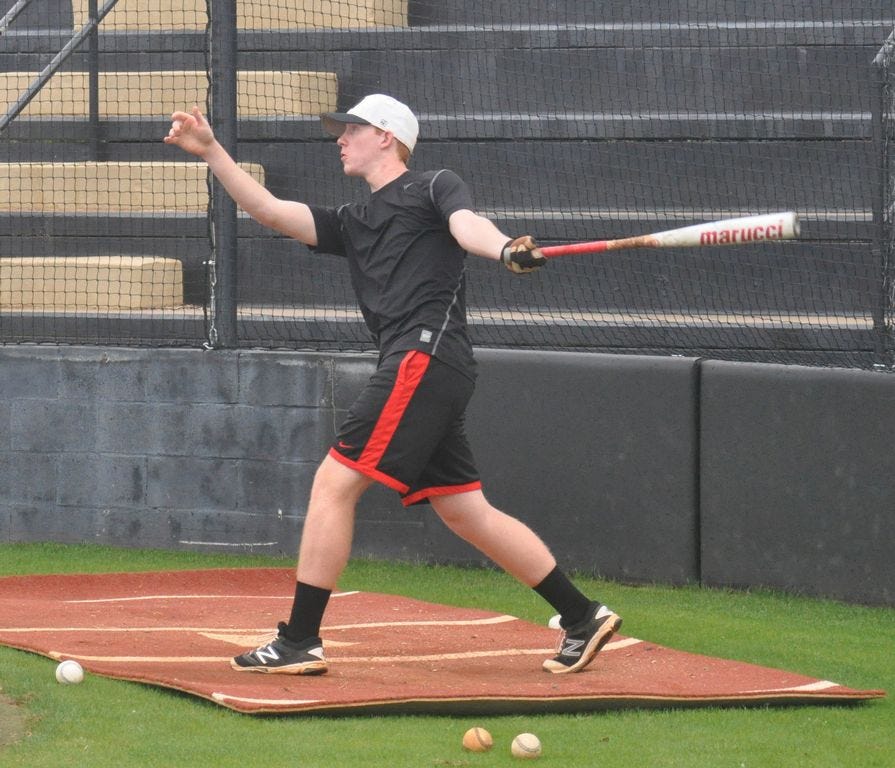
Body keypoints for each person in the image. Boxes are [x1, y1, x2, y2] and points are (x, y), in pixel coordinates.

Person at [164, 93, 621, 676]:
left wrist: (504, 248)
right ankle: (581, 617)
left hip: (422, 357)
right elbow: (274, 212)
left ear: (385, 136)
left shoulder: (433, 185)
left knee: (334, 483)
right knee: (464, 511)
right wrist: (211, 152)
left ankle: (300, 641)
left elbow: (466, 225)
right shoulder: (354, 221)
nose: (340, 138)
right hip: (428, 364)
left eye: (350, 129)